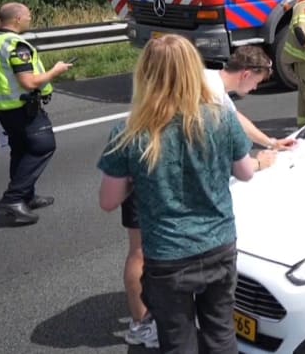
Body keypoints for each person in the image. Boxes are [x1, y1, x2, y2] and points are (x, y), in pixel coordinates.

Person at [98, 34, 257, 354]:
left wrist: (137, 178)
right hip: (219, 244)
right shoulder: (221, 117)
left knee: (177, 339)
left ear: (144, 74)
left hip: (167, 254)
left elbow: (108, 201)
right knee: (220, 333)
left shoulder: (129, 131)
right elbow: (245, 172)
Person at [119, 46, 286, 349]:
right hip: (158, 172)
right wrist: (262, 158)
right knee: (142, 252)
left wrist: (271, 141)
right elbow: (239, 150)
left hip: (150, 168)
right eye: (257, 82)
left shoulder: (209, 83)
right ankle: (143, 322)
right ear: (247, 74)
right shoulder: (209, 88)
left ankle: (149, 318)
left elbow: (237, 122)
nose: (256, 88)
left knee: (147, 255)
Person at [0, 2, 72, 225]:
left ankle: (27, 196)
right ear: (17, 19)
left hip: (0, 108)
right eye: (28, 15)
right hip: (22, 107)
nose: (30, 19)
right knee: (43, 146)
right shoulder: (16, 45)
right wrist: (56, 71)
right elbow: (28, 82)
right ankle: (14, 199)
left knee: (20, 149)